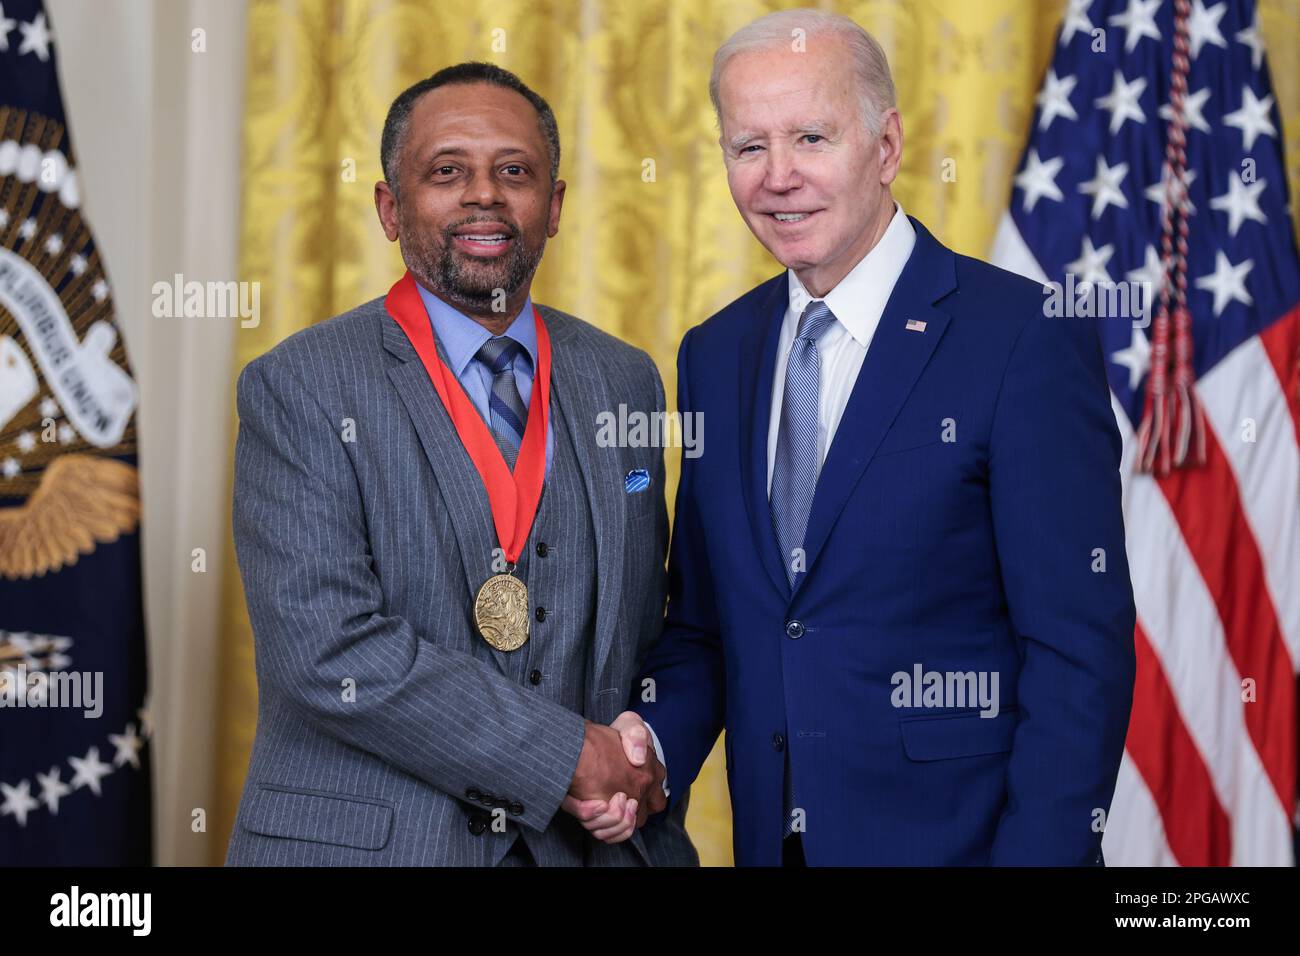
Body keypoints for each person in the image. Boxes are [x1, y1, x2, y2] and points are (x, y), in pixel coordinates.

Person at [577, 9, 1136, 866]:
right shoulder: (715, 354)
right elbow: (708, 625)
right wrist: (642, 749)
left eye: (810, 136)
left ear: (886, 145)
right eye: (748, 146)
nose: (779, 177)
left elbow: (1077, 657)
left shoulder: (1021, 337)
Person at [226, 62, 695, 866]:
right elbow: (327, 650)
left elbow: (650, 621)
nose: (484, 194)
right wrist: (572, 759)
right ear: (389, 207)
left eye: (514, 172)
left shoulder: (625, 379)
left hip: (594, 849)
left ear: (553, 208)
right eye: (447, 172)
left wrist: (637, 757)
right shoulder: (298, 385)